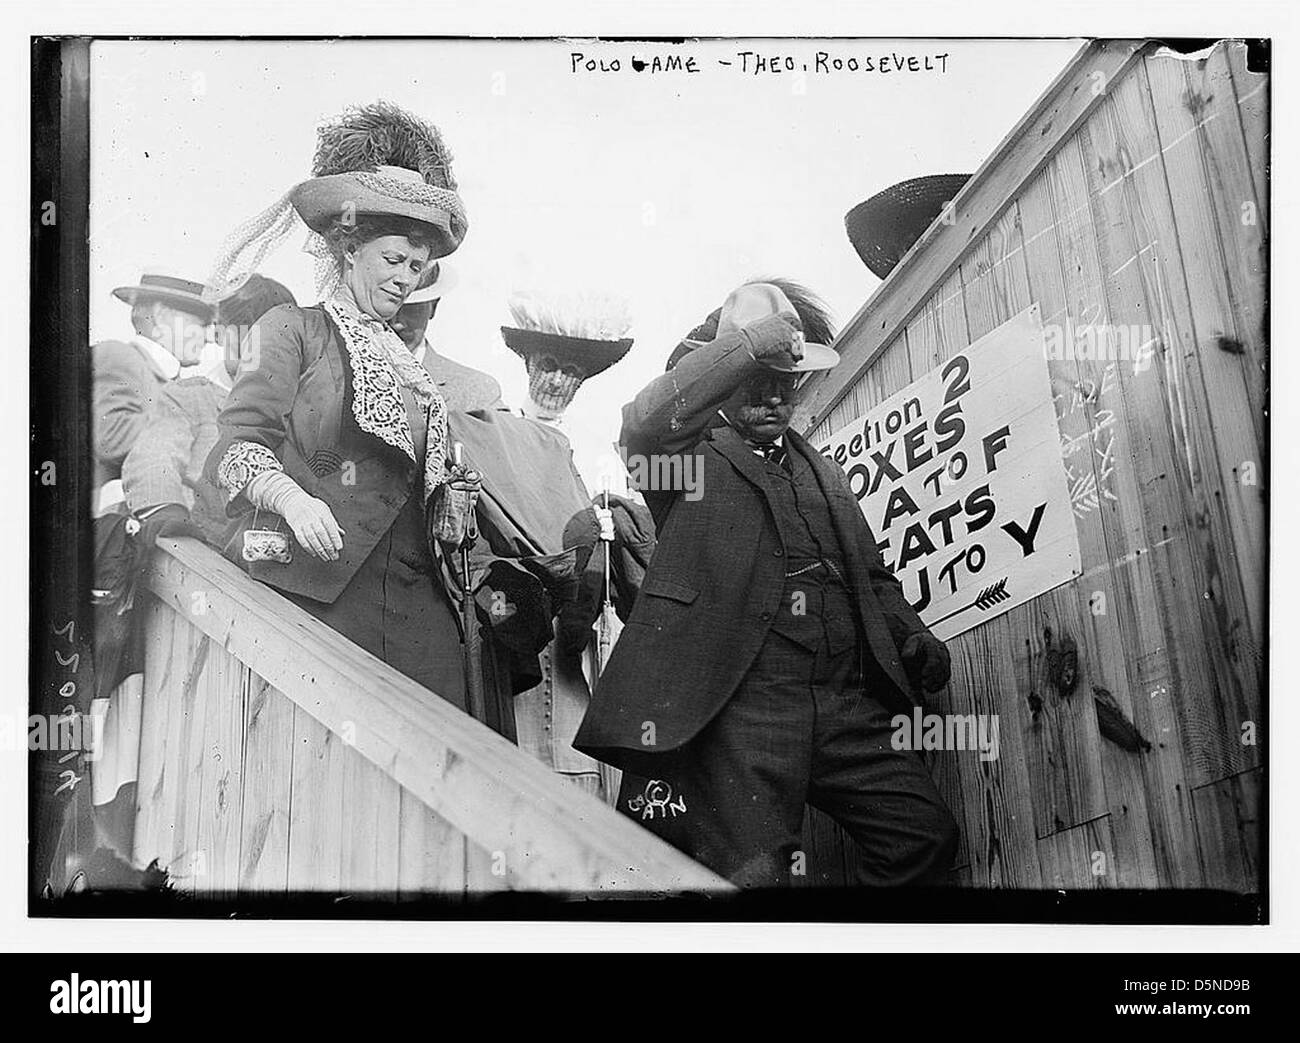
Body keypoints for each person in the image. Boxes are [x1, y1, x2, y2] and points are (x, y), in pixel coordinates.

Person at [574, 280, 959, 888]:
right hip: (740, 711)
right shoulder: (684, 462)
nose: (777, 396)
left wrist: (911, 633)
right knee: (753, 881)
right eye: (759, 380)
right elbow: (643, 419)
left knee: (922, 835)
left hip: (840, 703)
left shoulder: (823, 472)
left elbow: (871, 576)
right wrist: (750, 342)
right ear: (727, 381)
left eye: (788, 382)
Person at [201, 101, 486, 720]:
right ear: (348, 248)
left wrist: (450, 500)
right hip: (317, 591)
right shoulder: (294, 330)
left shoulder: (412, 370)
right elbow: (232, 446)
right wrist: (291, 499)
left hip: (419, 613)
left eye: (417, 266)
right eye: (393, 260)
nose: (406, 279)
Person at [122, 274, 297, 545]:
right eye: (247, 343)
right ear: (221, 334)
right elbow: (155, 456)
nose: (261, 357)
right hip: (205, 547)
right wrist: (166, 510)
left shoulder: (296, 407)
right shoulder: (189, 397)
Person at [92, 272, 215, 515]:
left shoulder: (172, 382)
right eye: (202, 324)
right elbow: (109, 436)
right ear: (160, 316)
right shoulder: (120, 355)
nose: (210, 337)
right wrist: (195, 426)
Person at [388, 261, 506, 412]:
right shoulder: (350, 375)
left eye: (411, 309)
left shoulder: (477, 393)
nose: (396, 323)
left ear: (433, 307)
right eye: (388, 306)